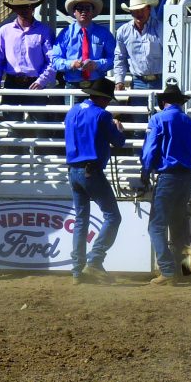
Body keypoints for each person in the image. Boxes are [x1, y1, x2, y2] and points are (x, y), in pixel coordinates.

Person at [64, 78, 126, 285]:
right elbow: (118, 141)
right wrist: (118, 128)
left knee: (81, 220)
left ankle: (76, 271)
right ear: (103, 98)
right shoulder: (102, 115)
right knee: (112, 216)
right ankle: (95, 259)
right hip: (91, 171)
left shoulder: (72, 111)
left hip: (73, 170)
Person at [140, 84, 191, 286]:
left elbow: (151, 150)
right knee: (177, 224)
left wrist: (146, 169)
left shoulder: (158, 119)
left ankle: (167, 270)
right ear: (180, 102)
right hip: (187, 176)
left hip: (168, 176)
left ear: (162, 102)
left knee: (156, 226)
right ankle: (177, 269)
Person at [0, 0, 55, 119]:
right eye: (20, 7)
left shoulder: (45, 31)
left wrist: (41, 81)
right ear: (15, 9)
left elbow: (52, 60)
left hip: (35, 82)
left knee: (40, 126)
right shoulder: (5, 31)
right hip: (12, 83)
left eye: (27, 6)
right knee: (12, 125)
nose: (24, 10)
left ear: (33, 8)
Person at [52, 0, 116, 90]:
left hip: (97, 85)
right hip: (72, 85)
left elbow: (114, 59)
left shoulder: (104, 33)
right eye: (80, 8)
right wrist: (70, 64)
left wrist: (97, 64)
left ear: (92, 12)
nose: (83, 12)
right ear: (74, 12)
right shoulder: (65, 34)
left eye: (87, 8)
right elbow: (54, 60)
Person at [114, 0, 163, 92]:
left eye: (141, 10)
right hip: (138, 81)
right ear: (131, 12)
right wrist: (119, 81)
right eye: (135, 11)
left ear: (148, 9)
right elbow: (120, 58)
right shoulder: (123, 31)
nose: (139, 13)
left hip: (161, 80)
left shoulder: (162, 28)